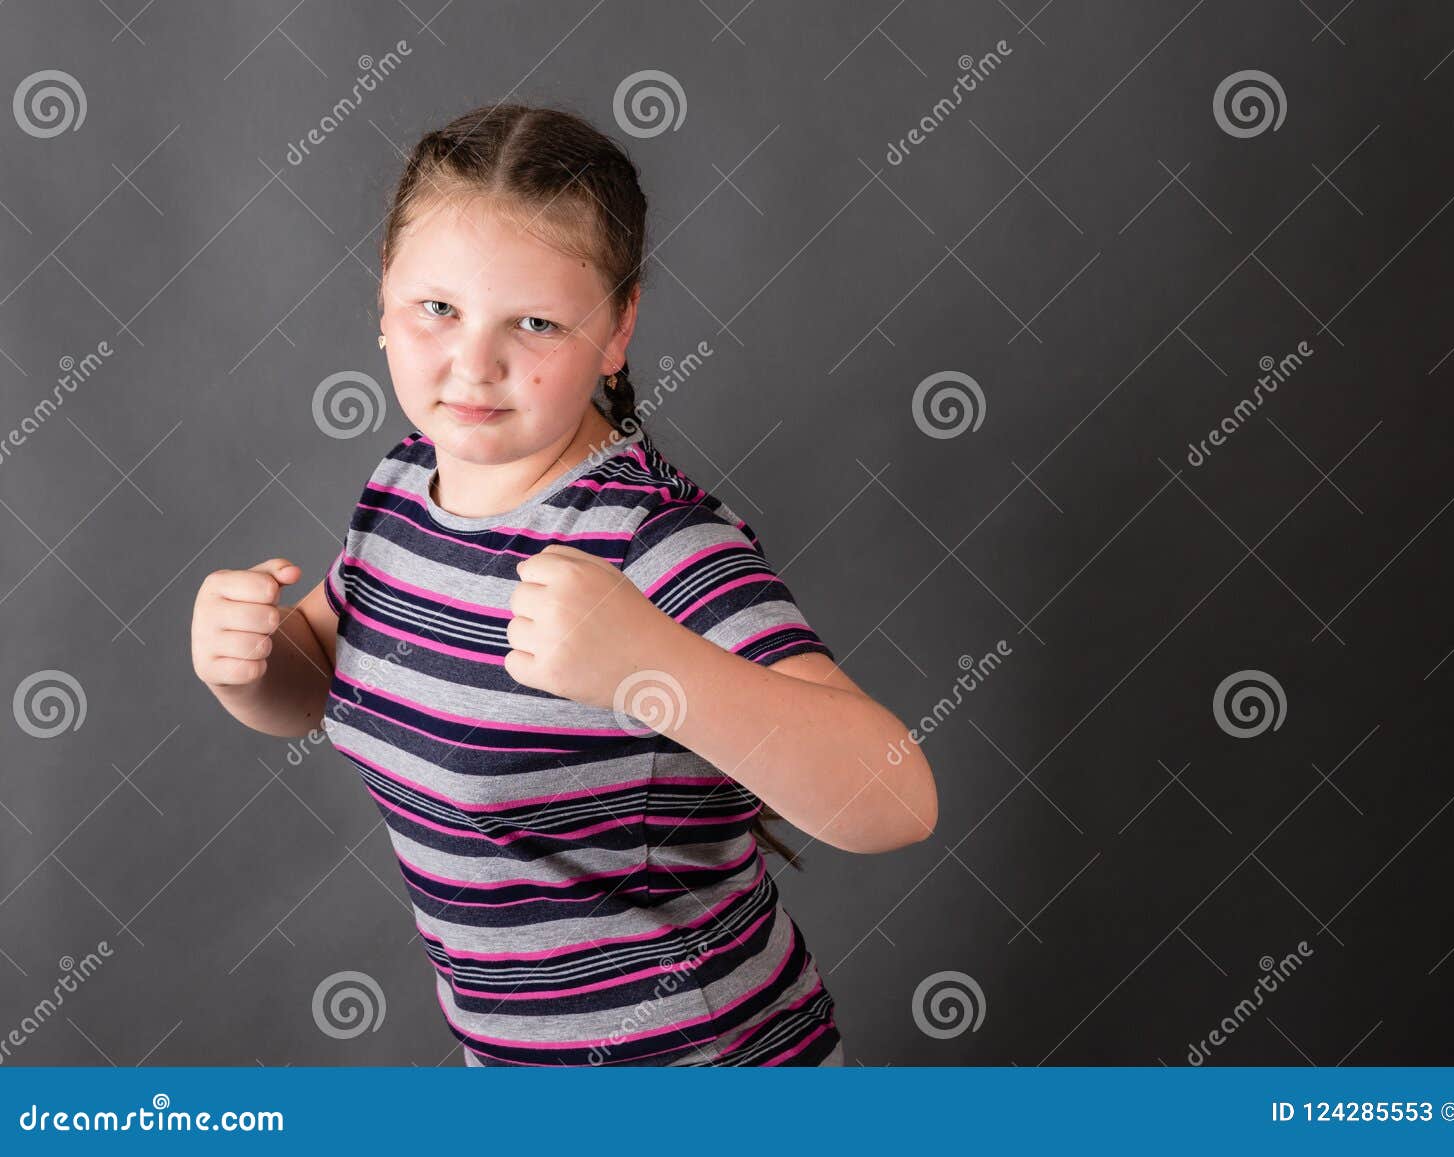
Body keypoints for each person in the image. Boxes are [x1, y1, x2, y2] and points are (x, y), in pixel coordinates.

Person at [190, 103, 937, 1066]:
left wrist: (651, 664)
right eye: (437, 308)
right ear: (382, 301)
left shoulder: (653, 542)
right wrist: (247, 666)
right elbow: (318, 689)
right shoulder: (403, 487)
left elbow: (898, 800)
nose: (474, 362)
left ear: (617, 329)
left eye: (535, 323)